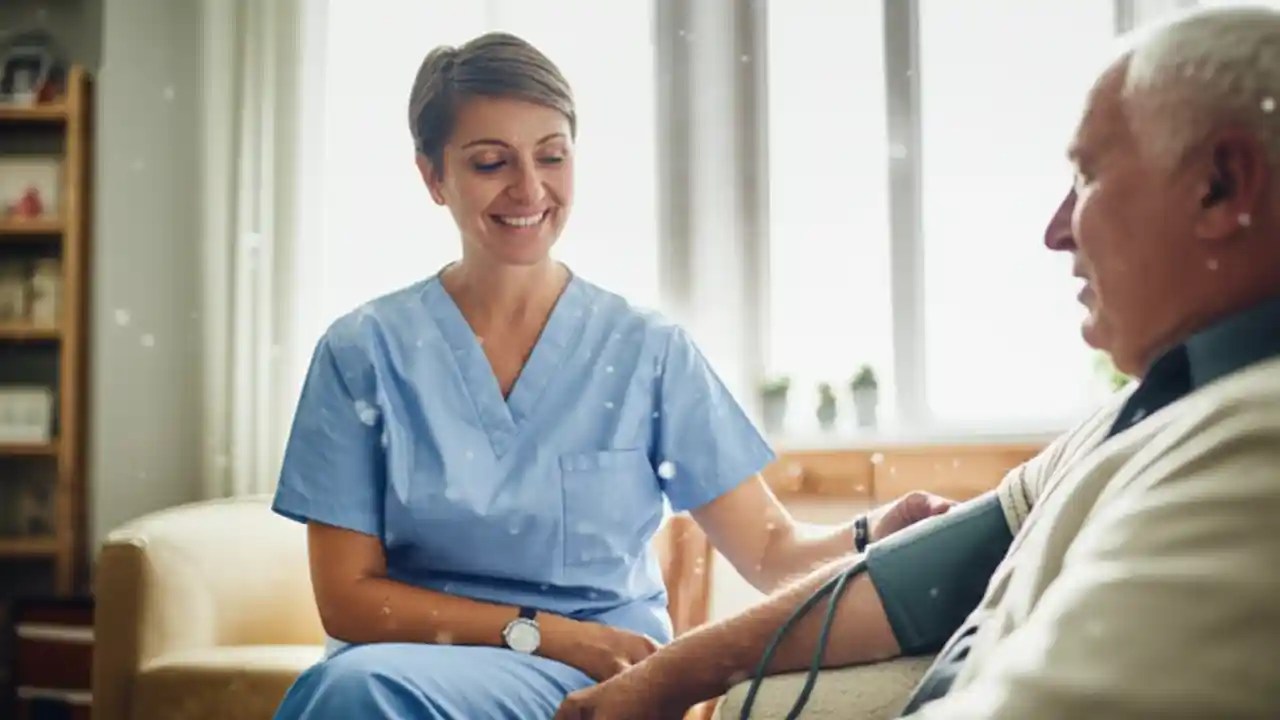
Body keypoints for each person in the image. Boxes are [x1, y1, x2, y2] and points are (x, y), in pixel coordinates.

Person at [555, 6, 1280, 719]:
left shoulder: (1256, 450)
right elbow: (907, 585)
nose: (1056, 232)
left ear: (1220, 184)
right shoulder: (1140, 413)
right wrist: (661, 681)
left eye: (1087, 178)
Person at [268, 31, 950, 720]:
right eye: (489, 162)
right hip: (419, 662)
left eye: (551, 156)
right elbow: (349, 597)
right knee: (354, 691)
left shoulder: (646, 350)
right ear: (432, 176)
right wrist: (543, 632)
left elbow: (771, 551)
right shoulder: (362, 352)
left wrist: (876, 532)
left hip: (599, 672)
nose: (529, 188)